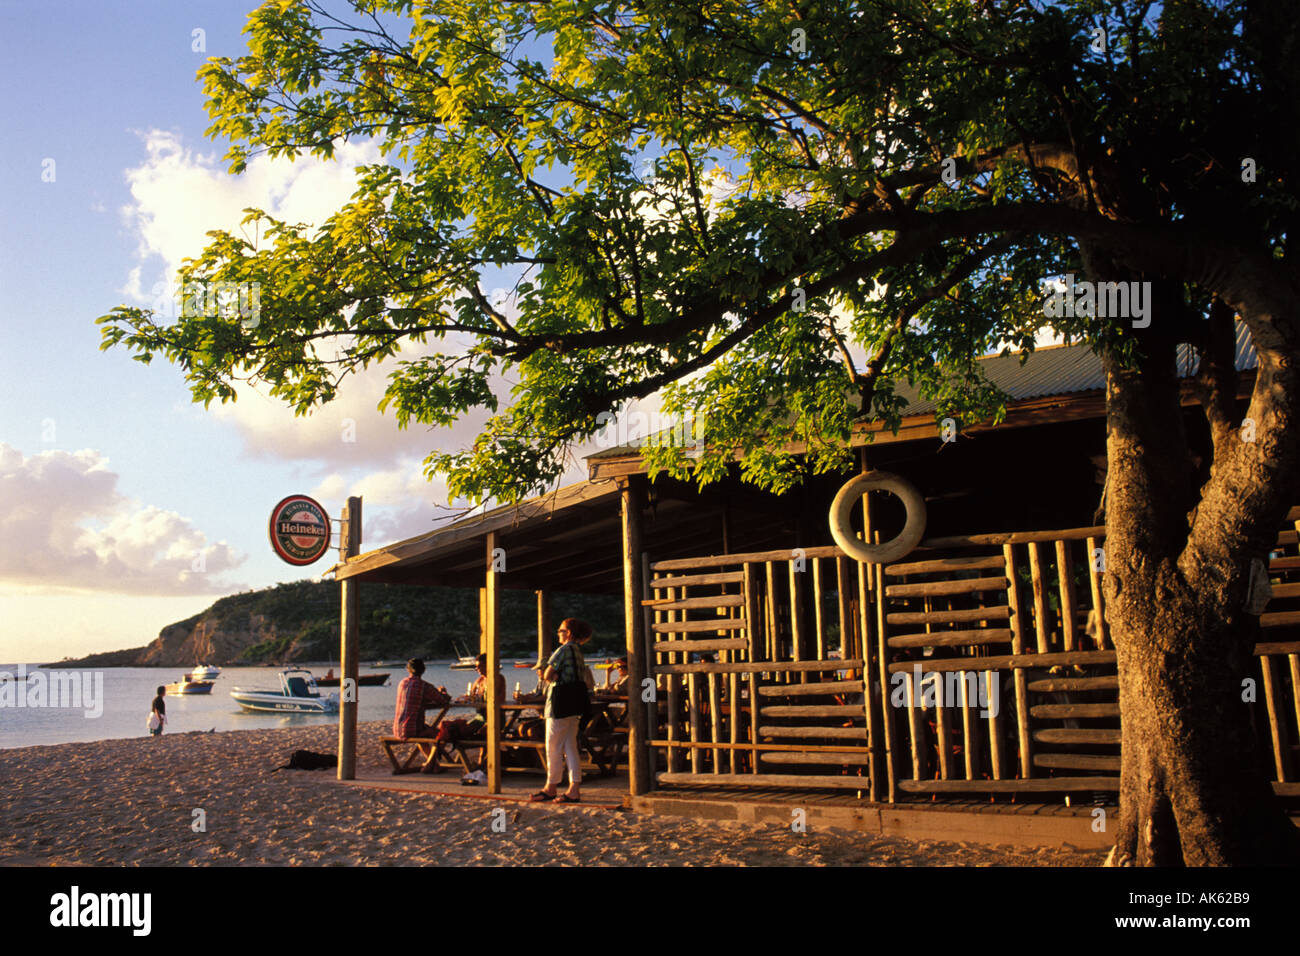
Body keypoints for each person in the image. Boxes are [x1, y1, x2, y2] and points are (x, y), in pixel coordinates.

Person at [529, 618, 592, 804]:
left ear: (569, 633)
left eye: (561, 630)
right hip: (574, 704)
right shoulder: (578, 652)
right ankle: (574, 788)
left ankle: (551, 787)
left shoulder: (563, 650)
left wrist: (548, 675)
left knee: (553, 746)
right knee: (570, 747)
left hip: (559, 704)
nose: (558, 633)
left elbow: (548, 674)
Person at [392, 658, 451, 740]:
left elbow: (413, 699)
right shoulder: (424, 686)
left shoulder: (402, 683)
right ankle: (436, 753)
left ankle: (430, 753)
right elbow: (444, 700)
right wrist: (443, 692)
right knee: (442, 735)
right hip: (412, 730)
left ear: (408, 670)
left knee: (425, 730)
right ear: (423, 670)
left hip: (397, 729)